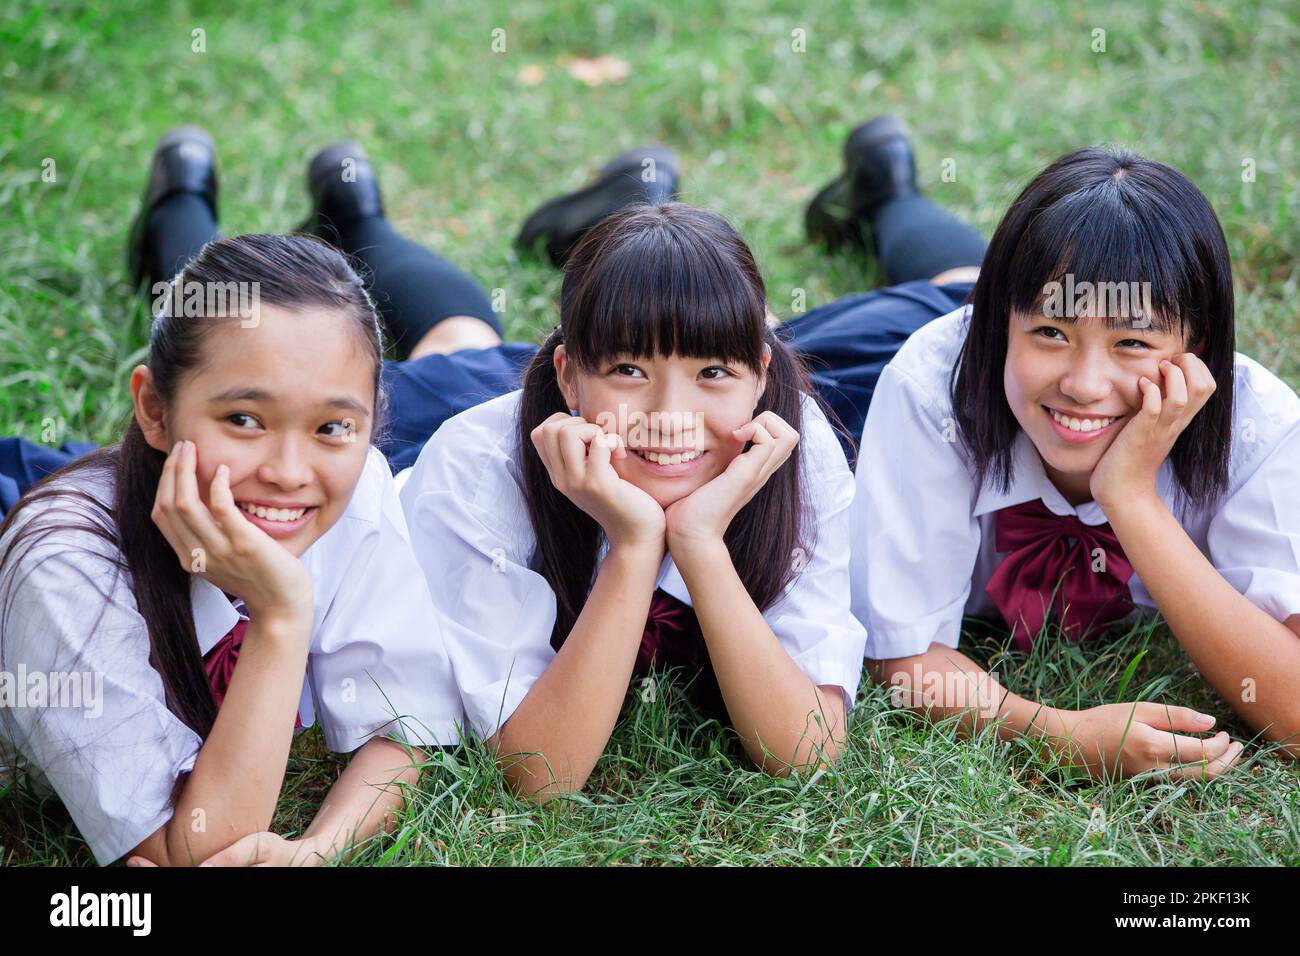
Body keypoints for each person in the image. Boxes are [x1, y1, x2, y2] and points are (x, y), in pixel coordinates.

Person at [1, 178, 463, 865]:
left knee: (464, 362)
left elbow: (403, 727)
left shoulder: (354, 477)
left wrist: (317, 849)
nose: (288, 468)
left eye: (333, 426)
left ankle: (346, 204)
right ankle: (176, 194)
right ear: (154, 408)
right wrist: (283, 612)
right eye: (244, 419)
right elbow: (187, 850)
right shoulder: (65, 569)